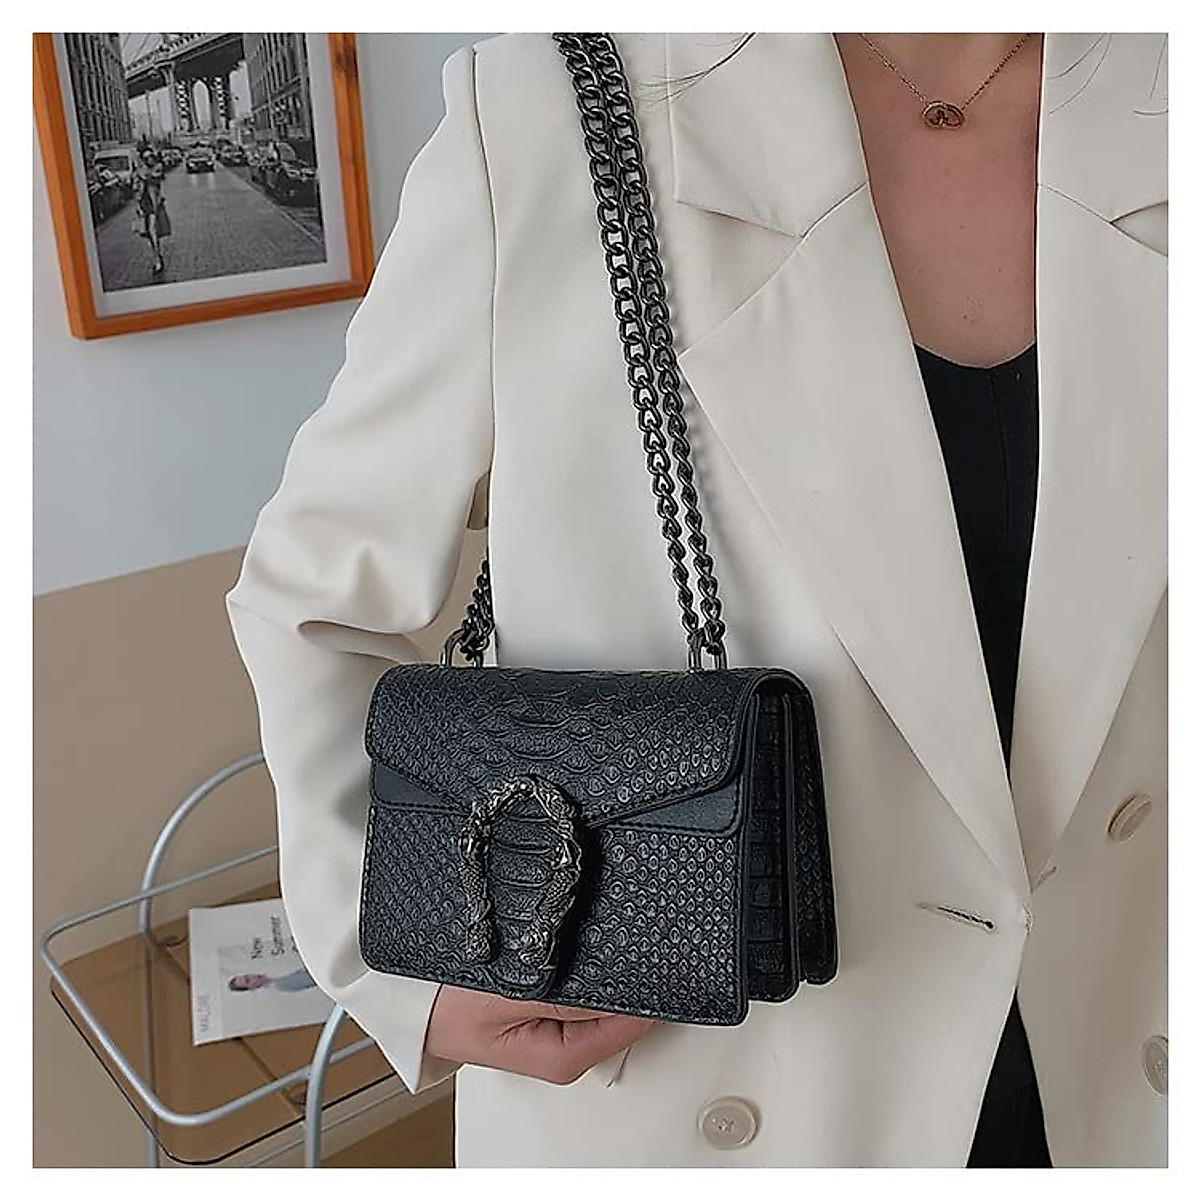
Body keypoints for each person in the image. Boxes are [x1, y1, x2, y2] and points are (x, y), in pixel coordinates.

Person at [225, 33, 1167, 1167]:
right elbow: (315, 595)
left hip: (1122, 1056)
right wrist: (405, 967)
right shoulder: (551, 110)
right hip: (712, 1081)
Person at [134, 138, 168, 275]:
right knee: (148, 233)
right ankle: (157, 255)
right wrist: (137, 204)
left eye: (150, 157)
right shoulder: (141, 170)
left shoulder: (157, 168)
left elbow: (155, 177)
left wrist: (142, 174)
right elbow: (136, 187)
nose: (149, 159)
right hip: (144, 203)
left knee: (152, 231)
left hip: (154, 204)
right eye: (145, 158)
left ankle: (157, 260)